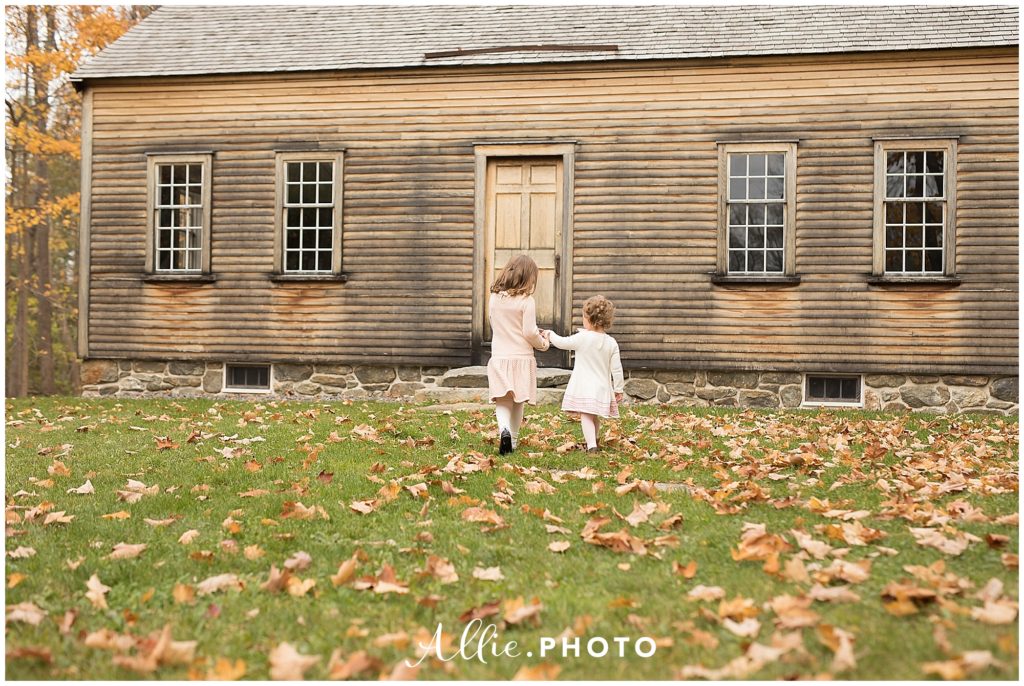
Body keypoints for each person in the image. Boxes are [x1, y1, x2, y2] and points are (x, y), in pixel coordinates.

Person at [487, 254, 550, 454]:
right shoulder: (527, 301)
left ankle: (503, 430)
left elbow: (494, 323)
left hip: (500, 357)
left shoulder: (494, 298)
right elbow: (529, 332)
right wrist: (543, 344)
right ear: (528, 277)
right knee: (518, 400)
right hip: (522, 357)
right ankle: (512, 441)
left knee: (503, 400)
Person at [543, 295, 624, 452]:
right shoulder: (611, 342)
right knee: (594, 416)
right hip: (602, 387)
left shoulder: (583, 338)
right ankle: (594, 440)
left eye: (584, 317)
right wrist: (619, 388)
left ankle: (592, 446)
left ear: (591, 319)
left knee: (586, 416)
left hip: (585, 386)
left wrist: (550, 334)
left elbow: (562, 343)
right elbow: (617, 369)